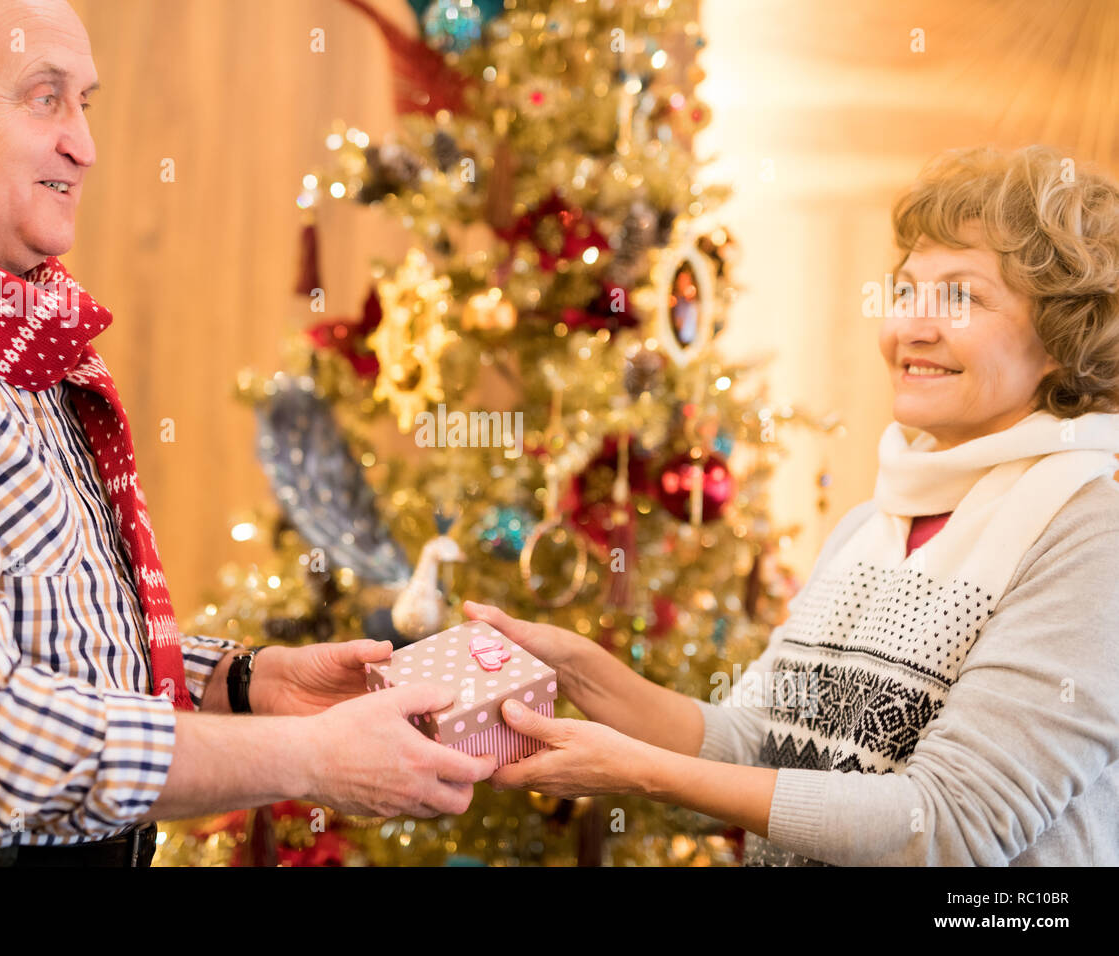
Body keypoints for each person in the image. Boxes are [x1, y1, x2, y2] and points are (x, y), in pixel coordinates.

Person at [0, 0, 494, 867]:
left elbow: (46, 625)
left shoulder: (2, 316)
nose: (84, 145)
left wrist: (242, 683)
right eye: (43, 97)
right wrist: (312, 758)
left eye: (85, 103)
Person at [470, 143, 1119, 865]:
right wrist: (586, 672)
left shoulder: (1092, 536)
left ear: (1068, 336)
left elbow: (948, 826)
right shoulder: (872, 526)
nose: (911, 328)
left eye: (961, 296)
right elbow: (757, 741)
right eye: (905, 292)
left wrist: (641, 773)